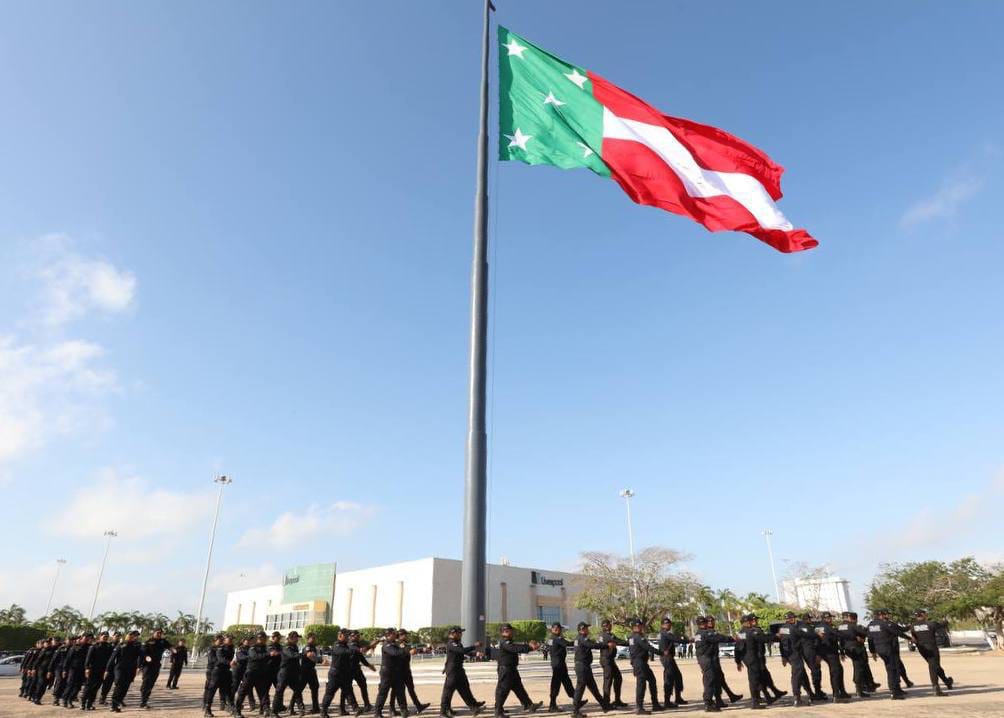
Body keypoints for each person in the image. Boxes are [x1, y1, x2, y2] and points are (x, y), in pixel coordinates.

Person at [492, 623, 542, 717]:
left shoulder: (508, 641)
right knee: (503, 690)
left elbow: (516, 646)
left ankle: (529, 705)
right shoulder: (505, 642)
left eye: (511, 630)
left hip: (511, 669)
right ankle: (498, 711)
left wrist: (529, 647)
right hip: (506, 670)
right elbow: (515, 648)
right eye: (508, 631)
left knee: (519, 689)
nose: (511, 632)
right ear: (504, 632)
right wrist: (529, 647)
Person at [867, 609, 914, 700]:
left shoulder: (870, 626)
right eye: (885, 614)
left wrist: (872, 651)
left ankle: (897, 689)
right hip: (888, 649)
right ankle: (894, 692)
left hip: (879, 649)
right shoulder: (884, 624)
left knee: (890, 668)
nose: (886, 616)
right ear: (881, 615)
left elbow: (870, 640)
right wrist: (909, 638)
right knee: (893, 670)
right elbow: (897, 632)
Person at [694, 616, 737, 713]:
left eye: (704, 622)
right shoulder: (706, 633)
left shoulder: (698, 634)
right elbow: (718, 637)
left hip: (704, 659)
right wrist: (731, 638)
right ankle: (708, 703)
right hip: (707, 659)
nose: (704, 624)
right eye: (702, 623)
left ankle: (715, 701)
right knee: (709, 681)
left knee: (712, 679)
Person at [439, 626, 483, 718]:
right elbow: (461, 651)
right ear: (453, 634)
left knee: (465, 689)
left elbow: (462, 653)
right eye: (459, 633)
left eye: (461, 633)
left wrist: (475, 654)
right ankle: (443, 712)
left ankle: (474, 707)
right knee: (448, 692)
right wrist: (474, 646)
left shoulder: (457, 643)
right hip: (453, 671)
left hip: (459, 670)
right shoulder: (451, 643)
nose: (461, 634)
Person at [734, 614, 776, 709]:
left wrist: (738, 661)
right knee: (754, 681)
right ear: (745, 622)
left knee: (754, 680)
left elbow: (736, 648)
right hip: (753, 659)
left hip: (746, 659)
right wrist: (775, 636)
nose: (750, 623)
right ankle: (755, 702)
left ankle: (758, 699)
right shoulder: (751, 632)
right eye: (749, 621)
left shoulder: (740, 633)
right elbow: (764, 639)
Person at [570, 621, 612, 717]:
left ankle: (604, 705)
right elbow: (593, 645)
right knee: (580, 688)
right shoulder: (582, 638)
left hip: (585, 667)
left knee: (593, 688)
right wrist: (606, 645)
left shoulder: (579, 638)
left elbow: (592, 643)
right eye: (586, 628)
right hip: (582, 667)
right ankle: (575, 711)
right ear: (582, 629)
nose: (588, 630)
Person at [320, 628, 363, 718]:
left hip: (344, 674)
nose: (347, 637)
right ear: (340, 636)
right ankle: (323, 711)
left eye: (348, 635)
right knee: (330, 693)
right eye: (346, 635)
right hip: (335, 674)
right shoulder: (336, 645)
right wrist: (357, 650)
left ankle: (356, 708)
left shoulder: (346, 645)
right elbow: (344, 652)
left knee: (349, 691)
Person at [910, 609, 954, 696]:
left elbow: (914, 637)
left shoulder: (912, 626)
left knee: (935, 665)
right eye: (925, 614)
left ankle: (947, 681)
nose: (927, 615)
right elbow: (942, 625)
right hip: (931, 648)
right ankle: (936, 688)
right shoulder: (930, 623)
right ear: (922, 614)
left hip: (922, 649)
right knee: (933, 667)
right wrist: (946, 620)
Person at [626, 619, 661, 715]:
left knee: (652, 681)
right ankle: (639, 707)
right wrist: (661, 653)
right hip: (640, 663)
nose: (641, 627)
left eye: (641, 626)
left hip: (640, 663)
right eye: (639, 626)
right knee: (641, 684)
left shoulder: (631, 637)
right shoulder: (638, 637)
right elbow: (648, 647)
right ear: (635, 627)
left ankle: (655, 704)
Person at [814, 612, 851, 702]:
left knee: (839, 669)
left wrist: (817, 654)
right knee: (835, 672)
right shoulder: (828, 627)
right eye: (829, 618)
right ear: (825, 618)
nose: (831, 619)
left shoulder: (816, 627)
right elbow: (840, 635)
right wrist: (850, 634)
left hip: (821, 652)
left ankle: (842, 692)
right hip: (830, 653)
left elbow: (815, 640)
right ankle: (836, 695)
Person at [234, 632, 273, 718]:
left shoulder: (266, 648)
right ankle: (237, 710)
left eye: (264, 638)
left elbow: (269, 657)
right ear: (257, 639)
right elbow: (254, 657)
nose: (263, 640)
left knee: (264, 693)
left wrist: (269, 655)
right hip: (251, 673)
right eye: (261, 638)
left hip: (261, 673)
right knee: (243, 692)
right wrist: (268, 655)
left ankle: (266, 709)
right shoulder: (252, 648)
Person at [836, 612, 874, 697]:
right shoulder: (852, 626)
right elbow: (865, 632)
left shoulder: (839, 627)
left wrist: (842, 652)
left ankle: (862, 686)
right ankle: (859, 690)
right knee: (858, 668)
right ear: (849, 618)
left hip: (847, 649)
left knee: (858, 667)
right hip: (856, 649)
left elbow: (840, 640)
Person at [777, 612, 811, 706]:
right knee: (796, 675)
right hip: (795, 654)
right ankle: (797, 698)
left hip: (788, 655)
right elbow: (806, 635)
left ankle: (809, 693)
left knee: (801, 673)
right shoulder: (793, 628)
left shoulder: (782, 629)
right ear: (792, 619)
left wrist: (783, 656)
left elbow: (781, 644)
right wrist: (816, 634)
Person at [107, 630, 143, 713]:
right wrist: (107, 669)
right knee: (119, 685)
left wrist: (139, 666)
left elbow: (141, 656)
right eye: (130, 635)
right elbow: (112, 657)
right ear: (126, 636)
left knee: (125, 687)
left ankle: (118, 702)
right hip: (120, 668)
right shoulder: (121, 645)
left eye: (134, 635)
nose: (132, 636)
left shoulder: (137, 645)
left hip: (130, 670)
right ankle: (113, 704)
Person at [543, 622, 575, 712]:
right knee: (556, 684)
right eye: (557, 628)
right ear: (553, 629)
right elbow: (567, 644)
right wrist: (578, 641)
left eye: (559, 628)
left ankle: (576, 700)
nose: (559, 630)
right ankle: (552, 705)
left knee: (566, 682)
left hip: (557, 662)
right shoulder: (557, 638)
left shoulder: (551, 638)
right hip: (558, 663)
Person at [398, 629, 431, 714]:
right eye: (405, 635)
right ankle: (403, 710)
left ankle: (418, 706)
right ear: (401, 635)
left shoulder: (405, 644)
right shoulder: (396, 644)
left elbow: (412, 650)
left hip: (406, 670)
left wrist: (423, 649)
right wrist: (410, 651)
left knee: (411, 689)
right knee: (400, 691)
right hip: (398, 671)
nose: (407, 636)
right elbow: (406, 651)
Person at [596, 621, 628, 709]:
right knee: (608, 681)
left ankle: (617, 700)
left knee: (618, 678)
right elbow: (619, 641)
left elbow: (616, 642)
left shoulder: (602, 635)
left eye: (609, 625)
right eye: (608, 625)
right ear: (606, 626)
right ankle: (606, 703)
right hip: (607, 660)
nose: (610, 626)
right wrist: (629, 642)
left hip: (609, 660)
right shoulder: (608, 635)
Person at [657, 617, 687, 709]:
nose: (668, 625)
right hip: (666, 658)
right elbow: (676, 639)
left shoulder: (664, 633)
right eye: (666, 624)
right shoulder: (664, 633)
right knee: (669, 678)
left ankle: (678, 697)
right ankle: (667, 701)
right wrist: (688, 640)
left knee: (678, 676)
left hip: (669, 657)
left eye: (669, 624)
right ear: (662, 625)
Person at [273, 631, 305, 717]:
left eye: (297, 637)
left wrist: (299, 670)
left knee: (297, 690)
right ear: (290, 638)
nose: (297, 639)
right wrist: (302, 654)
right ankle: (274, 711)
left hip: (293, 673)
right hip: (285, 673)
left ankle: (300, 708)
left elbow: (296, 661)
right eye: (295, 637)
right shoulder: (286, 647)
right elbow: (292, 656)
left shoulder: (295, 646)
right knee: (279, 691)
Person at [139, 628, 171, 708]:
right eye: (157, 633)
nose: (159, 634)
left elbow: (170, 646)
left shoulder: (163, 641)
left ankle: (145, 700)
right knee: (146, 682)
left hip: (156, 665)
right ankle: (143, 700)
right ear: (154, 633)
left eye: (160, 633)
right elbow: (142, 651)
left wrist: (173, 649)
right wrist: (146, 657)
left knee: (151, 683)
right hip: (147, 665)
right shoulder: (148, 641)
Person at [346, 630, 376, 713]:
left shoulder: (357, 645)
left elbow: (361, 658)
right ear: (351, 636)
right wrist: (371, 645)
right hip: (349, 670)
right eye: (357, 635)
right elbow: (362, 651)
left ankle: (367, 704)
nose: (359, 637)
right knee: (348, 688)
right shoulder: (350, 645)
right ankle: (354, 706)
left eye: (359, 635)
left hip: (356, 669)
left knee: (363, 685)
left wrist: (369, 666)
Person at [82, 631, 114, 710]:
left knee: (96, 688)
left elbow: (110, 660)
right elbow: (88, 658)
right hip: (92, 670)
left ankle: (89, 704)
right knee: (88, 687)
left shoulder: (109, 647)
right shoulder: (94, 646)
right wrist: (87, 668)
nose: (105, 637)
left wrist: (107, 670)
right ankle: (83, 703)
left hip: (102, 671)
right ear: (100, 636)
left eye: (106, 636)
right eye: (104, 636)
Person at [798, 613, 825, 701]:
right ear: (808, 619)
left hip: (801, 652)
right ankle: (818, 691)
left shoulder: (798, 628)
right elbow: (817, 641)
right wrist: (818, 654)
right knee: (816, 670)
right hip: (811, 651)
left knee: (802, 672)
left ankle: (810, 692)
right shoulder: (812, 628)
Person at [63, 634, 92, 708]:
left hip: (83, 670)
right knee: (70, 685)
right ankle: (65, 700)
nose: (86, 639)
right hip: (73, 669)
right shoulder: (74, 647)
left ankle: (70, 699)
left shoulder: (89, 647)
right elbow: (68, 659)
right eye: (85, 638)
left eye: (88, 638)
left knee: (78, 687)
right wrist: (65, 670)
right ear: (82, 638)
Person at [300, 633, 323, 714]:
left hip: (311, 671)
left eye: (315, 638)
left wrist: (317, 658)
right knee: (299, 689)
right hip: (305, 671)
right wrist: (320, 660)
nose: (314, 639)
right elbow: (310, 655)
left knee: (315, 688)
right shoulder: (308, 647)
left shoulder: (313, 647)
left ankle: (316, 707)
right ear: (308, 638)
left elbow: (314, 656)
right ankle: (292, 707)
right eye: (312, 638)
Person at [99, 633, 122, 705]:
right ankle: (102, 698)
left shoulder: (121, 645)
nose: (117, 637)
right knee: (107, 683)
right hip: (108, 667)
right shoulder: (109, 645)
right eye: (116, 636)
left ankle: (118, 699)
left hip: (117, 668)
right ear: (113, 637)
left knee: (117, 684)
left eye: (118, 636)